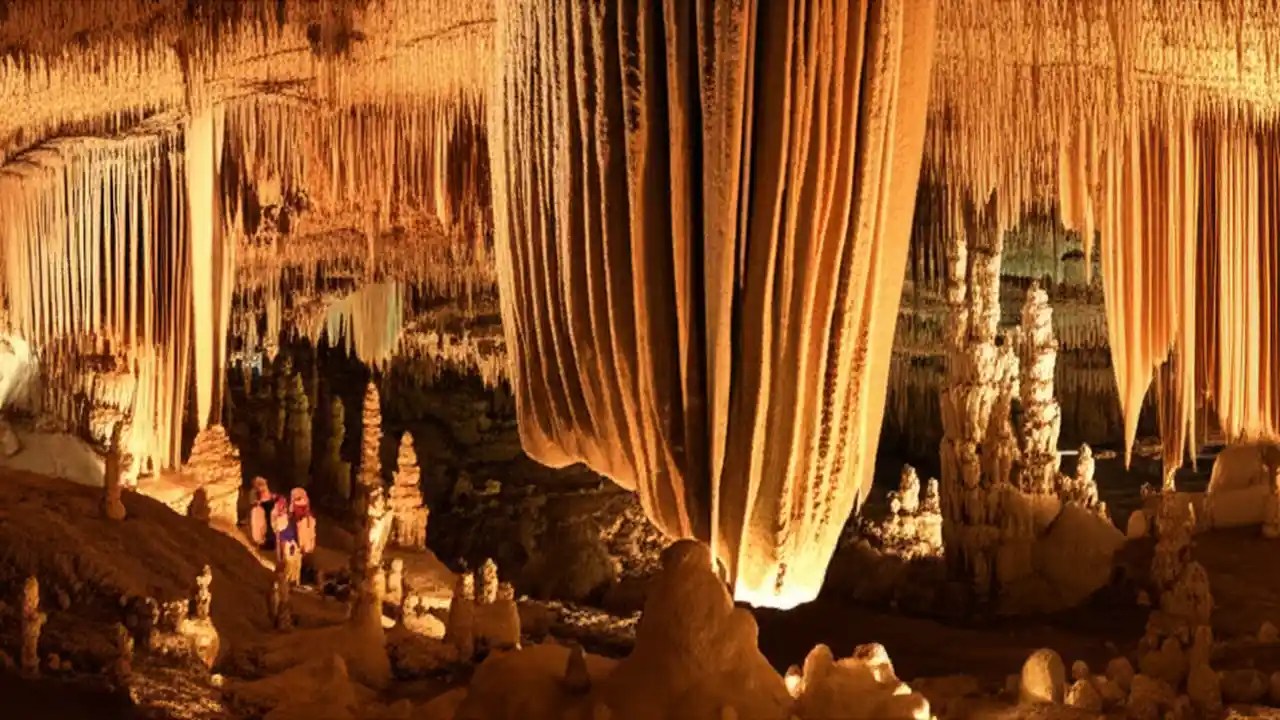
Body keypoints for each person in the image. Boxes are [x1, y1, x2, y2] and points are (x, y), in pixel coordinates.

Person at [248, 477, 278, 549]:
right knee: (261, 526)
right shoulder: (254, 492)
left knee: (269, 526)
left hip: (268, 509)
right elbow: (253, 502)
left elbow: (270, 497)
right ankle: (263, 542)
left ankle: (269, 543)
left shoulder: (265, 490)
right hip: (262, 510)